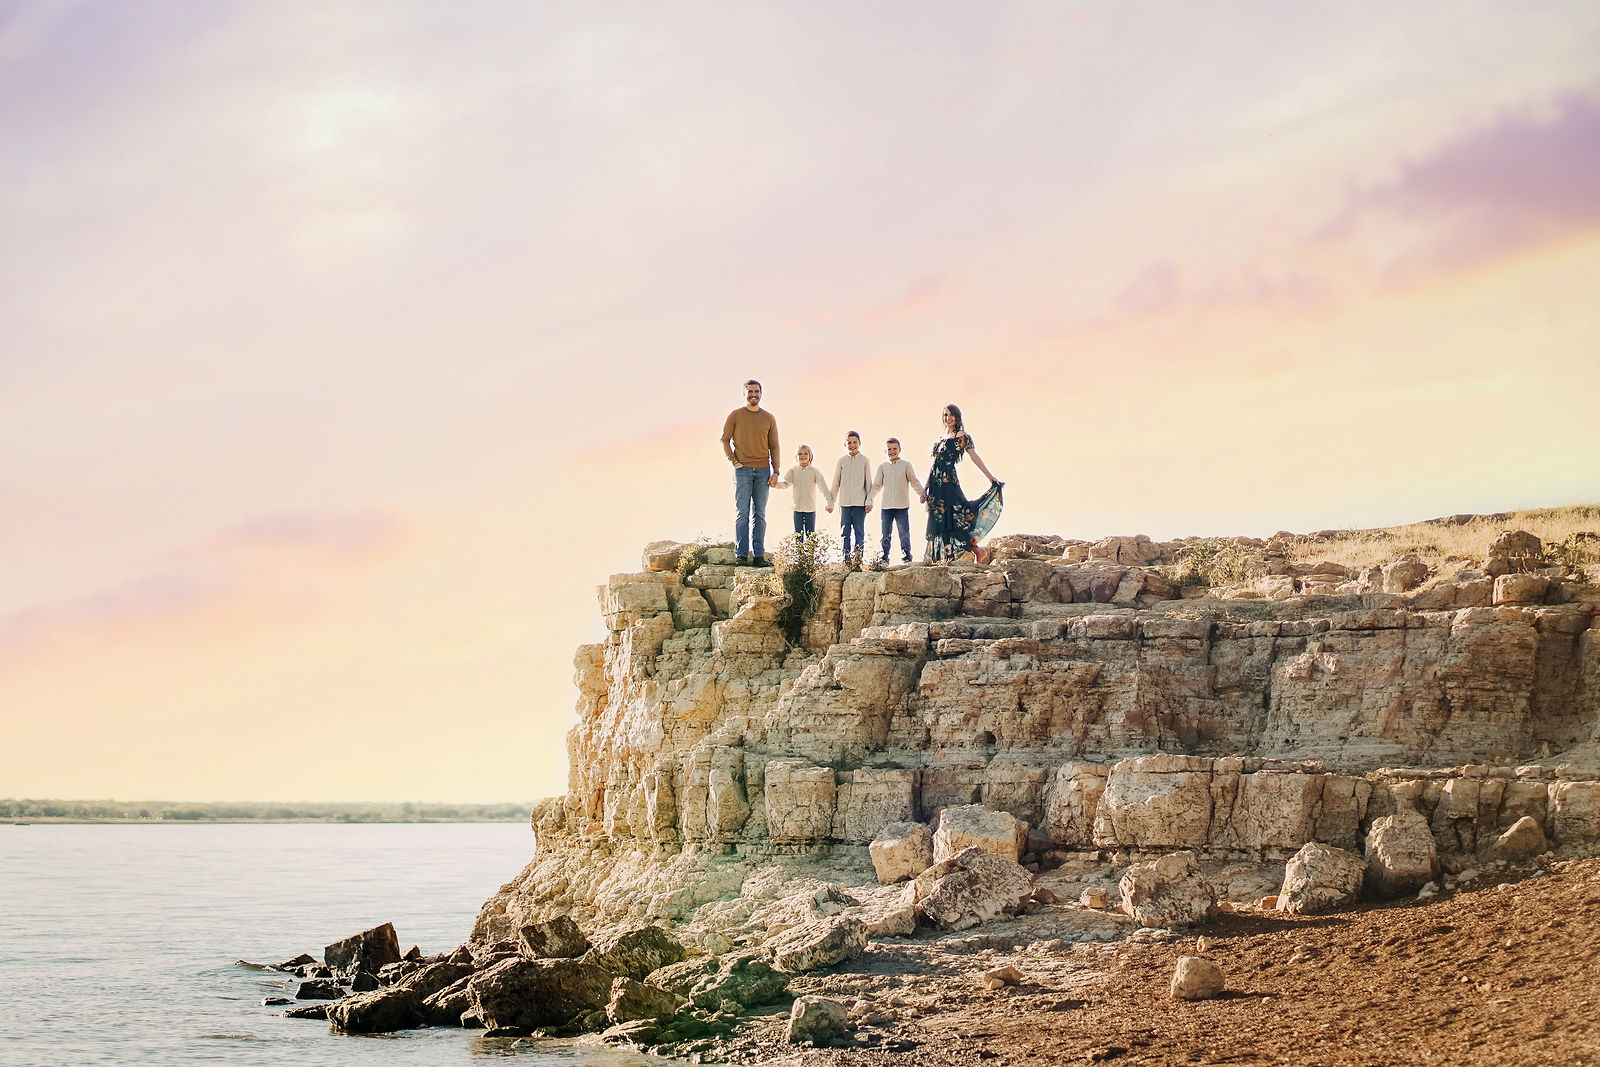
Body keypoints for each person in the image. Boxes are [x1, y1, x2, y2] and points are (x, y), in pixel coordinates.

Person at [924, 404, 1003, 564]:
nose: (948, 418)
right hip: (935, 486)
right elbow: (934, 465)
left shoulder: (961, 436)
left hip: (949, 483)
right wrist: (925, 487)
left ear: (957, 417)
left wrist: (990, 476)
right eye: (945, 415)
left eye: (951, 414)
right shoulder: (940, 438)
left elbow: (974, 456)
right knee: (940, 520)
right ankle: (948, 558)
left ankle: (977, 550)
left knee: (955, 517)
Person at [720, 379, 780, 566]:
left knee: (760, 514)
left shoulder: (769, 418)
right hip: (743, 470)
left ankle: (759, 556)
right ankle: (741, 555)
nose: (753, 394)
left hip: (763, 470)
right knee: (742, 513)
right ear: (744, 394)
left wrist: (776, 471)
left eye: (756, 391)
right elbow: (724, 440)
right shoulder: (735, 415)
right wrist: (734, 461)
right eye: (750, 391)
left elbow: (774, 445)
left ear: (761, 394)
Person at [870, 437, 924, 564]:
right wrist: (869, 500)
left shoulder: (906, 465)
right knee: (885, 534)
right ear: (885, 451)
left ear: (899, 449)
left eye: (895, 449)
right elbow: (877, 485)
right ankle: (884, 558)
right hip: (886, 507)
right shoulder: (883, 467)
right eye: (889, 449)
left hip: (902, 506)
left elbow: (914, 481)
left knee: (904, 533)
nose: (892, 451)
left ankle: (907, 557)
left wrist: (922, 494)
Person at [830, 431, 873, 563]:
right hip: (845, 504)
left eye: (854, 442)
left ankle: (858, 560)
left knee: (859, 532)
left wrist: (869, 501)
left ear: (859, 443)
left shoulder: (865, 460)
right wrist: (831, 502)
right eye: (849, 442)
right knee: (845, 532)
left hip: (860, 503)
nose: (852, 445)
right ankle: (846, 559)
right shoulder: (842, 461)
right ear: (845, 444)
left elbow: (868, 483)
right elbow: (836, 482)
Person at [776, 445, 835, 538]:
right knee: (798, 535)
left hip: (810, 509)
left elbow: (823, 489)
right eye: (800, 454)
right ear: (796, 457)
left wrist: (830, 504)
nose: (802, 456)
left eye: (805, 453)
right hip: (797, 509)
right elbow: (785, 484)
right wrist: (775, 484)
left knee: (810, 535)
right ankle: (799, 553)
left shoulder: (815, 472)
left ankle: (810, 553)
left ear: (810, 456)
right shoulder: (793, 470)